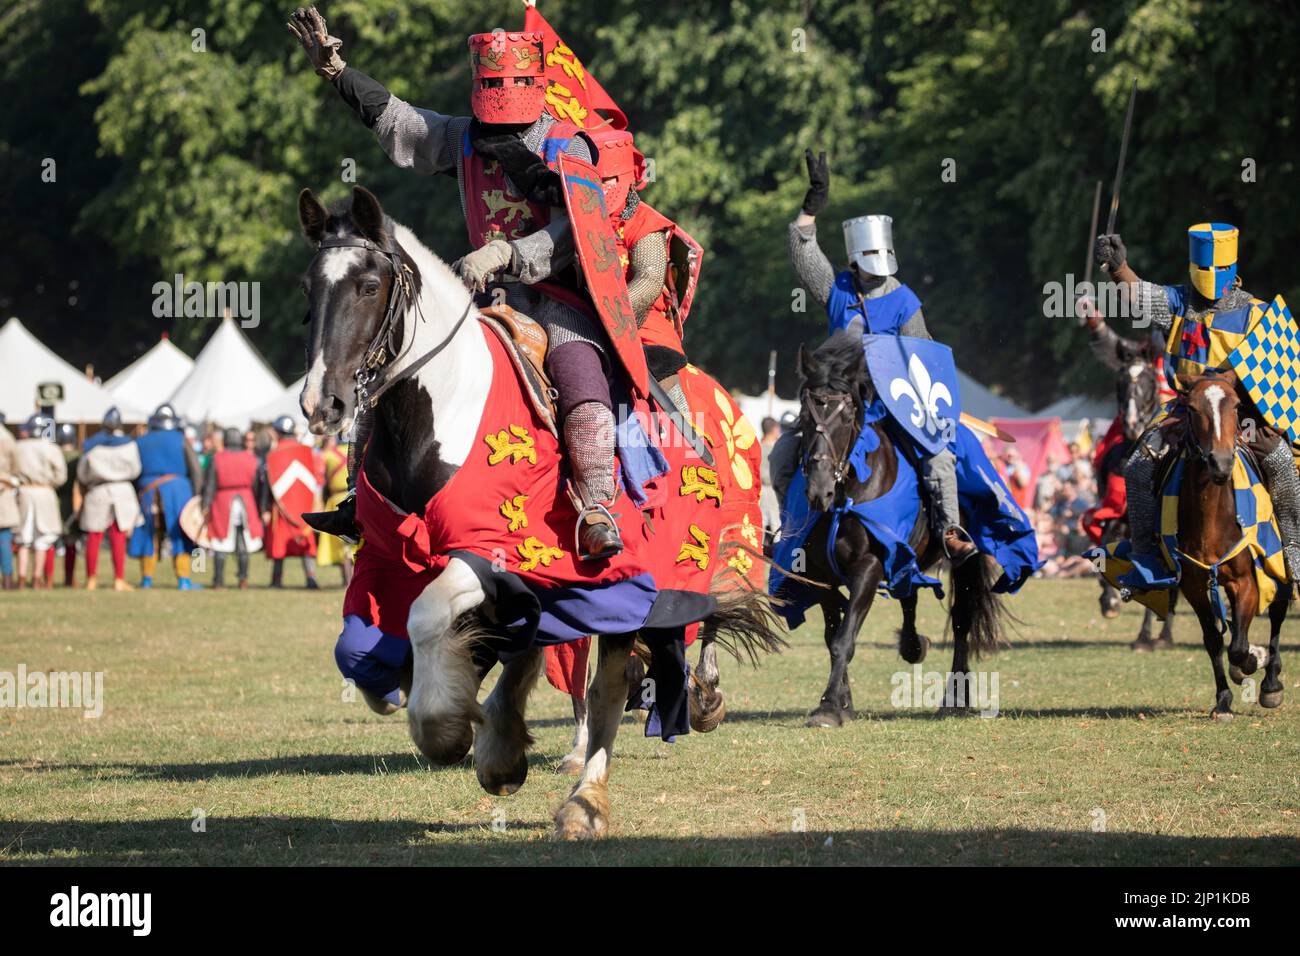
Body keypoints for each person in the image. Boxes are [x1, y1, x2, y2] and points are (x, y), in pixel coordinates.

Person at [288, 7, 624, 561]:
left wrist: (507, 252)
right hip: (481, 295)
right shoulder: (464, 137)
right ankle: (360, 500)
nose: (497, 99)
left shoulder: (570, 144)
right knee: (389, 366)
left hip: (556, 294)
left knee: (578, 372)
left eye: (505, 83)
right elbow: (399, 122)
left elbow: (578, 229)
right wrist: (338, 72)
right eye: (488, 84)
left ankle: (594, 506)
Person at [770, 149, 975, 563]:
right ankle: (786, 533)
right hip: (836, 402)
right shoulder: (838, 289)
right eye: (868, 268)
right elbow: (804, 257)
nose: (874, 274)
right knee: (780, 457)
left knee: (939, 457)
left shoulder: (903, 301)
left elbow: (924, 355)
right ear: (855, 261)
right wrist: (813, 205)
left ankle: (948, 530)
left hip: (888, 404)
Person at [1095, 224, 1300, 589]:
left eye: (1215, 270)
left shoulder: (1257, 313)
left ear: (1232, 269)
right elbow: (1142, 296)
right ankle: (1148, 558)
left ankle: (1295, 554)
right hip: (1187, 409)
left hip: (1242, 413)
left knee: (1282, 462)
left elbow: (1278, 367)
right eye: (1202, 270)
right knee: (1139, 467)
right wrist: (1118, 268)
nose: (1208, 278)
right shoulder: (1179, 303)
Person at [130, 403, 202, 589]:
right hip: (179, 492)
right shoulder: (180, 439)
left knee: (149, 534)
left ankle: (147, 579)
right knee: (182, 533)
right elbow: (195, 469)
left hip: (148, 492)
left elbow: (133, 471)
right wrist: (198, 496)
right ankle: (184, 580)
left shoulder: (140, 441)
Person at [77, 422, 141, 590]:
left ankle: (91, 578)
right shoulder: (129, 445)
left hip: (98, 490)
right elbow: (136, 469)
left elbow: (82, 473)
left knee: (95, 535)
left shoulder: (93, 446)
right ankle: (118, 579)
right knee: (117, 534)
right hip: (121, 489)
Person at [260, 415, 320, 589]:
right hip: (304, 508)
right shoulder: (305, 452)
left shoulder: (274, 455)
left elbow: (268, 485)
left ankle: (276, 580)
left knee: (280, 545)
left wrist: (264, 507)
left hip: (282, 509)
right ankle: (311, 579)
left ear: (278, 433)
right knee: (305, 544)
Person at [203, 426, 264, 589]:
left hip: (223, 502)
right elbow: (257, 486)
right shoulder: (251, 458)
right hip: (246, 501)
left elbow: (210, 485)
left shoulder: (217, 458)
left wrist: (205, 505)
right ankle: (243, 579)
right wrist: (259, 506)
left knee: (220, 542)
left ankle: (218, 581)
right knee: (242, 541)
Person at [14, 415, 68, 589]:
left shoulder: (19, 447)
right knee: (42, 540)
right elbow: (61, 475)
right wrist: (49, 483)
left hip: (24, 492)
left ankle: (22, 578)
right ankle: (36, 578)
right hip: (44, 492)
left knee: (24, 539)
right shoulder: (51, 448)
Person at [315, 434, 353, 586]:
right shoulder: (358, 453)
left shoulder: (327, 455)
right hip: (355, 498)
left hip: (337, 499)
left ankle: (347, 579)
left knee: (341, 542)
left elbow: (320, 480)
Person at [0, 414, 20, 590]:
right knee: (4, 537)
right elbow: (16, 467)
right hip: (3, 490)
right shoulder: (7, 439)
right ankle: (7, 578)